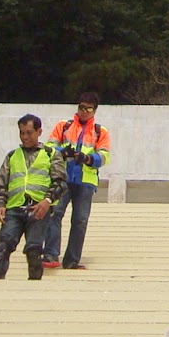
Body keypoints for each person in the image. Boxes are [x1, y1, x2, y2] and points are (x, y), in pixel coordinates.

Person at [0, 114, 67, 280]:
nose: (25, 137)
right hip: (14, 208)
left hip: (38, 209)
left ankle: (34, 285)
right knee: (2, 247)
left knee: (34, 250)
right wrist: (0, 204)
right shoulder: (12, 156)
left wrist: (47, 201)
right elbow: (2, 183)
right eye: (22, 133)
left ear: (39, 132)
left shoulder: (51, 154)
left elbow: (60, 183)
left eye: (29, 133)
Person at [44, 93, 111, 269]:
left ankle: (72, 260)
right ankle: (50, 255)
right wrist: (62, 152)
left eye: (88, 109)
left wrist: (87, 158)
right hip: (62, 178)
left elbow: (104, 156)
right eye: (81, 107)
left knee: (80, 220)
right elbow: (48, 147)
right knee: (54, 214)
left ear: (94, 110)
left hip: (85, 182)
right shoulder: (64, 126)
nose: (84, 111)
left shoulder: (100, 131)